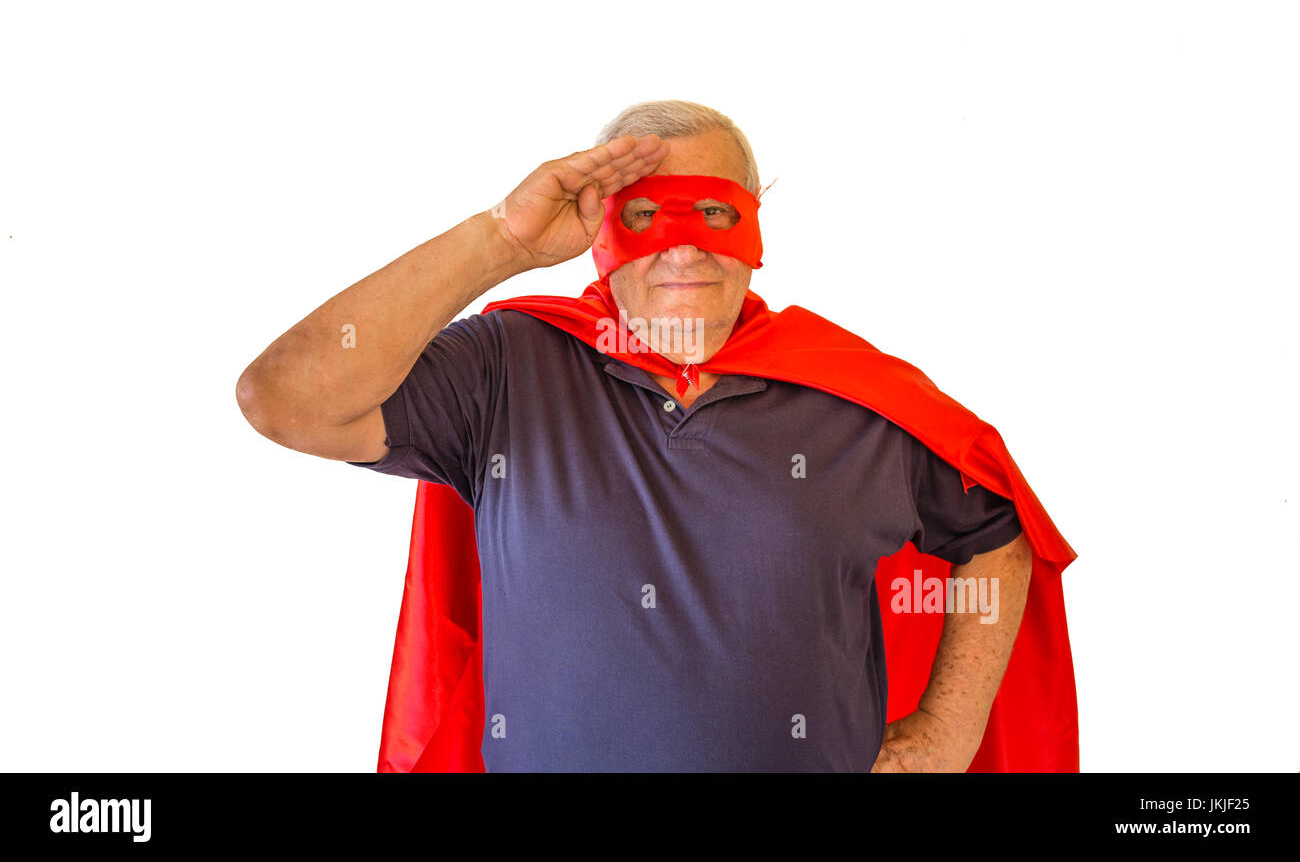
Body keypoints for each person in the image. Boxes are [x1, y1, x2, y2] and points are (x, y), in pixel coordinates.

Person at [236, 100, 1072, 772]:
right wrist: (501, 240)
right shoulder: (503, 369)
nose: (683, 245)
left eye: (714, 210)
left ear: (756, 232)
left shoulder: (859, 399)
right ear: (598, 231)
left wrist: (945, 732)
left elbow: (999, 534)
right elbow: (283, 400)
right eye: (645, 214)